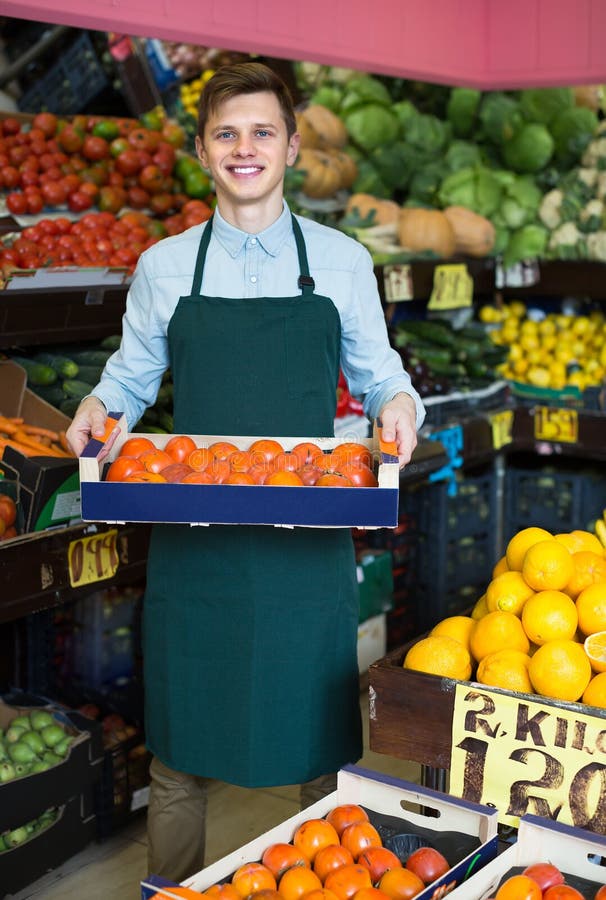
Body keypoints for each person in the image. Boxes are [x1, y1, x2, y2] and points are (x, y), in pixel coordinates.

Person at [66, 62, 425, 884]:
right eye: (226, 133)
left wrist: (399, 409)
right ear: (202, 150)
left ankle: (330, 879)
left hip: (308, 542)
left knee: (316, 748)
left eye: (263, 131)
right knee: (181, 754)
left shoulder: (340, 262)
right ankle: (172, 885)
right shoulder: (164, 267)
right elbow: (127, 380)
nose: (245, 147)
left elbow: (383, 379)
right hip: (200, 548)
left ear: (293, 146)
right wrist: (96, 407)